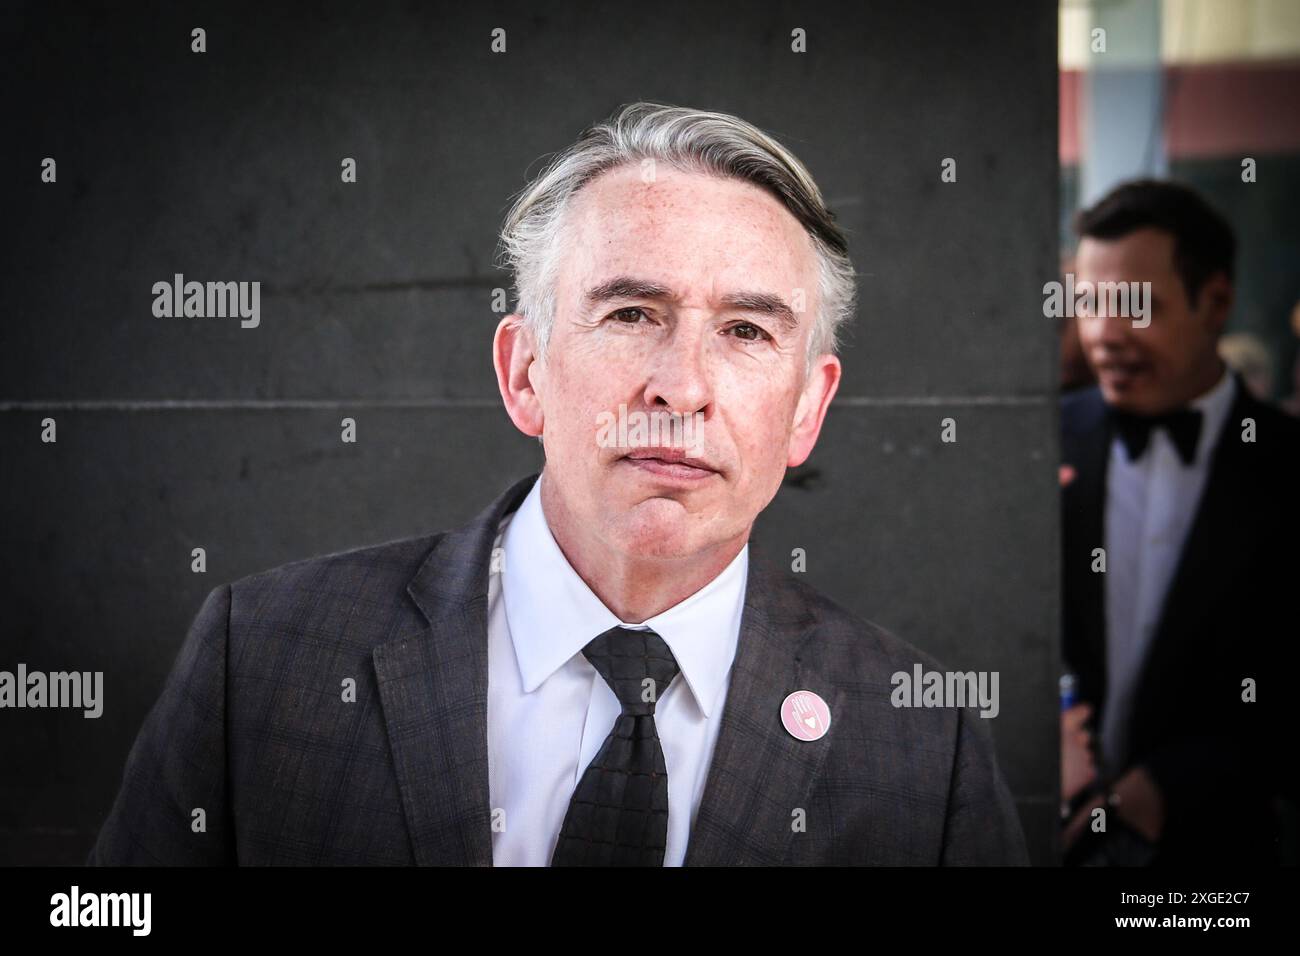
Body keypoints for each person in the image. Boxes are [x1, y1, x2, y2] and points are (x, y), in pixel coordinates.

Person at [87, 102, 1028, 866]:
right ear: (525, 373)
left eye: (747, 331)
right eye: (630, 311)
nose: (682, 387)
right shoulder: (260, 661)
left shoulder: (921, 738)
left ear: (806, 413)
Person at [1059, 178, 1300, 866]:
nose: (1102, 334)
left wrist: (1176, 783)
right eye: (1089, 304)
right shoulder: (1045, 442)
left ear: (1216, 301)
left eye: (1136, 307)